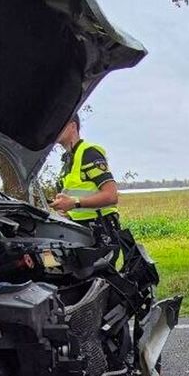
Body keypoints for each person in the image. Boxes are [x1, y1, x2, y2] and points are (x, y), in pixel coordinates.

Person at [51, 114, 124, 268]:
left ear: (73, 126)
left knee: (100, 278)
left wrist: (74, 203)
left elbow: (111, 195)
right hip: (79, 230)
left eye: (60, 124)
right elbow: (76, 193)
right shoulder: (69, 159)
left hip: (100, 229)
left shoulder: (89, 154)